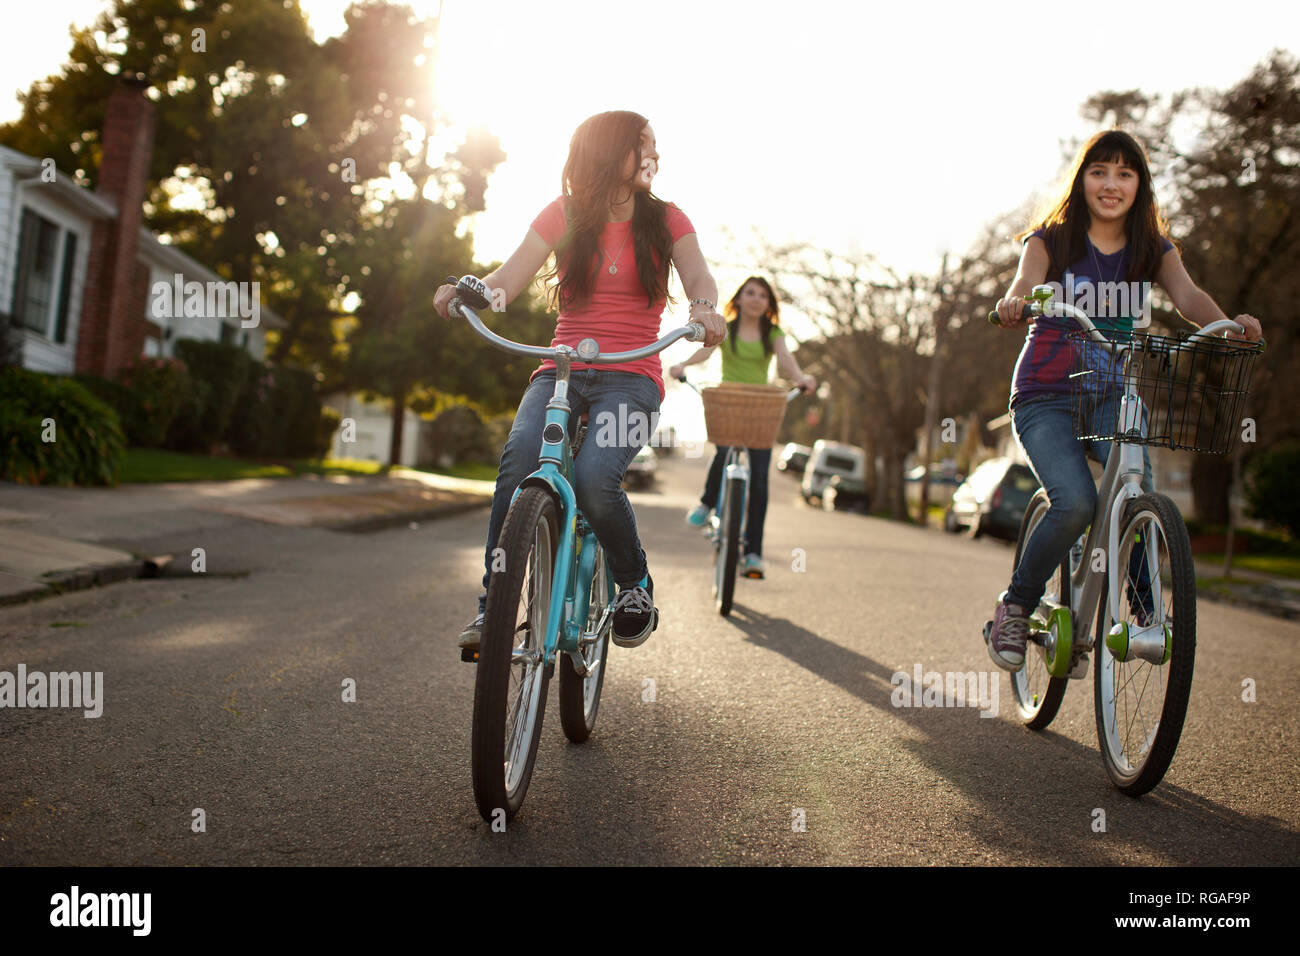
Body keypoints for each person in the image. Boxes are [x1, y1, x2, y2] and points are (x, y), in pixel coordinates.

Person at [434, 111, 726, 651]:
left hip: (632, 377)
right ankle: (492, 608)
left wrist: (704, 307)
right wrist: (470, 291)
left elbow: (697, 273)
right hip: (562, 370)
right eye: (642, 145)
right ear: (608, 151)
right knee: (520, 459)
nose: (653, 156)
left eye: (655, 146)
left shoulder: (666, 220)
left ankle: (633, 582)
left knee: (594, 478)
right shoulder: (564, 213)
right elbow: (506, 280)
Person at [986, 129, 1263, 671]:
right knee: (1076, 503)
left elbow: (1187, 297)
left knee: (1138, 486)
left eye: (1124, 173)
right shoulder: (1051, 238)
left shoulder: (1152, 248)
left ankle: (1144, 611)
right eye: (1099, 171)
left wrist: (1228, 324)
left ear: (1139, 184)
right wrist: (1016, 301)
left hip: (1112, 388)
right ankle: (1015, 606)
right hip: (1046, 394)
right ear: (1082, 179)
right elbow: (1025, 278)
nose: (1111, 184)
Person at [668, 276, 815, 579]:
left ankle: (753, 553)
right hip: (730, 401)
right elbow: (705, 352)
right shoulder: (728, 329)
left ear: (769, 304)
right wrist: (683, 365)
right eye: (750, 293)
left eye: (763, 295)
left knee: (760, 481)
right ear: (739, 298)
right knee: (723, 449)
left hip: (760, 406)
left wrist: (801, 377)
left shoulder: (772, 333)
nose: (756, 299)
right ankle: (708, 501)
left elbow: (786, 362)